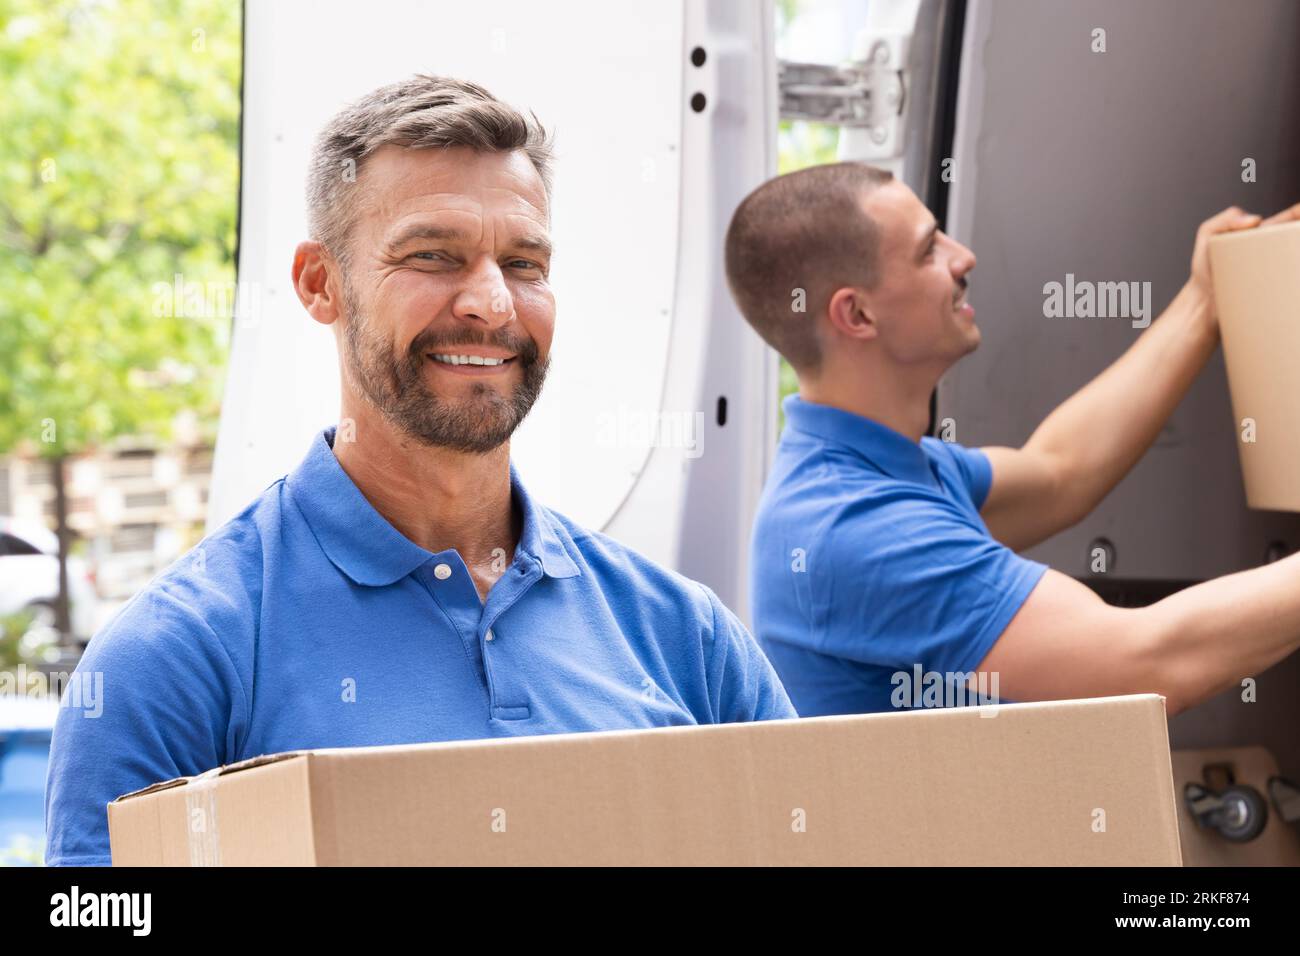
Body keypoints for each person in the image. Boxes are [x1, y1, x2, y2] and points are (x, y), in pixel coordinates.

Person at [44, 74, 795, 866]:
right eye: (433, 255)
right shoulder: (177, 658)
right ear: (319, 283)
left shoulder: (686, 637)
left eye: (524, 262)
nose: (492, 303)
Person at [726, 160, 1300, 718]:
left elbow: (1059, 472)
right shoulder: (854, 528)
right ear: (857, 314)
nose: (963, 257)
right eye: (929, 250)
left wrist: (1204, 298)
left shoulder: (887, 466)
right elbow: (1143, 663)